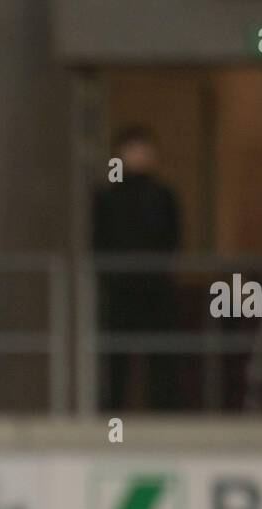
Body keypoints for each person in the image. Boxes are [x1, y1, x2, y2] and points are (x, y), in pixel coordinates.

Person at [93, 126, 182, 410]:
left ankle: (164, 411)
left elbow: (172, 238)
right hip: (120, 287)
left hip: (154, 286)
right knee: (116, 357)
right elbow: (99, 238)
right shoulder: (107, 197)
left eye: (143, 150)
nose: (139, 156)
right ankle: (112, 411)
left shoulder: (163, 195)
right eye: (133, 150)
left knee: (161, 357)